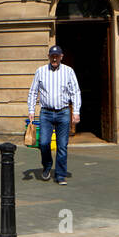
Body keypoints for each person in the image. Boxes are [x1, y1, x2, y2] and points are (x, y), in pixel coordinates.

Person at [26, 45, 81, 185]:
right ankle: (47, 165)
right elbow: (33, 91)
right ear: (49, 56)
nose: (54, 58)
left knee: (62, 146)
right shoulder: (41, 71)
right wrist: (31, 110)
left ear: (61, 56)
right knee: (44, 143)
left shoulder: (69, 71)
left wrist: (76, 112)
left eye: (57, 56)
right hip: (46, 113)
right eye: (52, 56)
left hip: (63, 112)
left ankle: (60, 175)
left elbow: (76, 92)